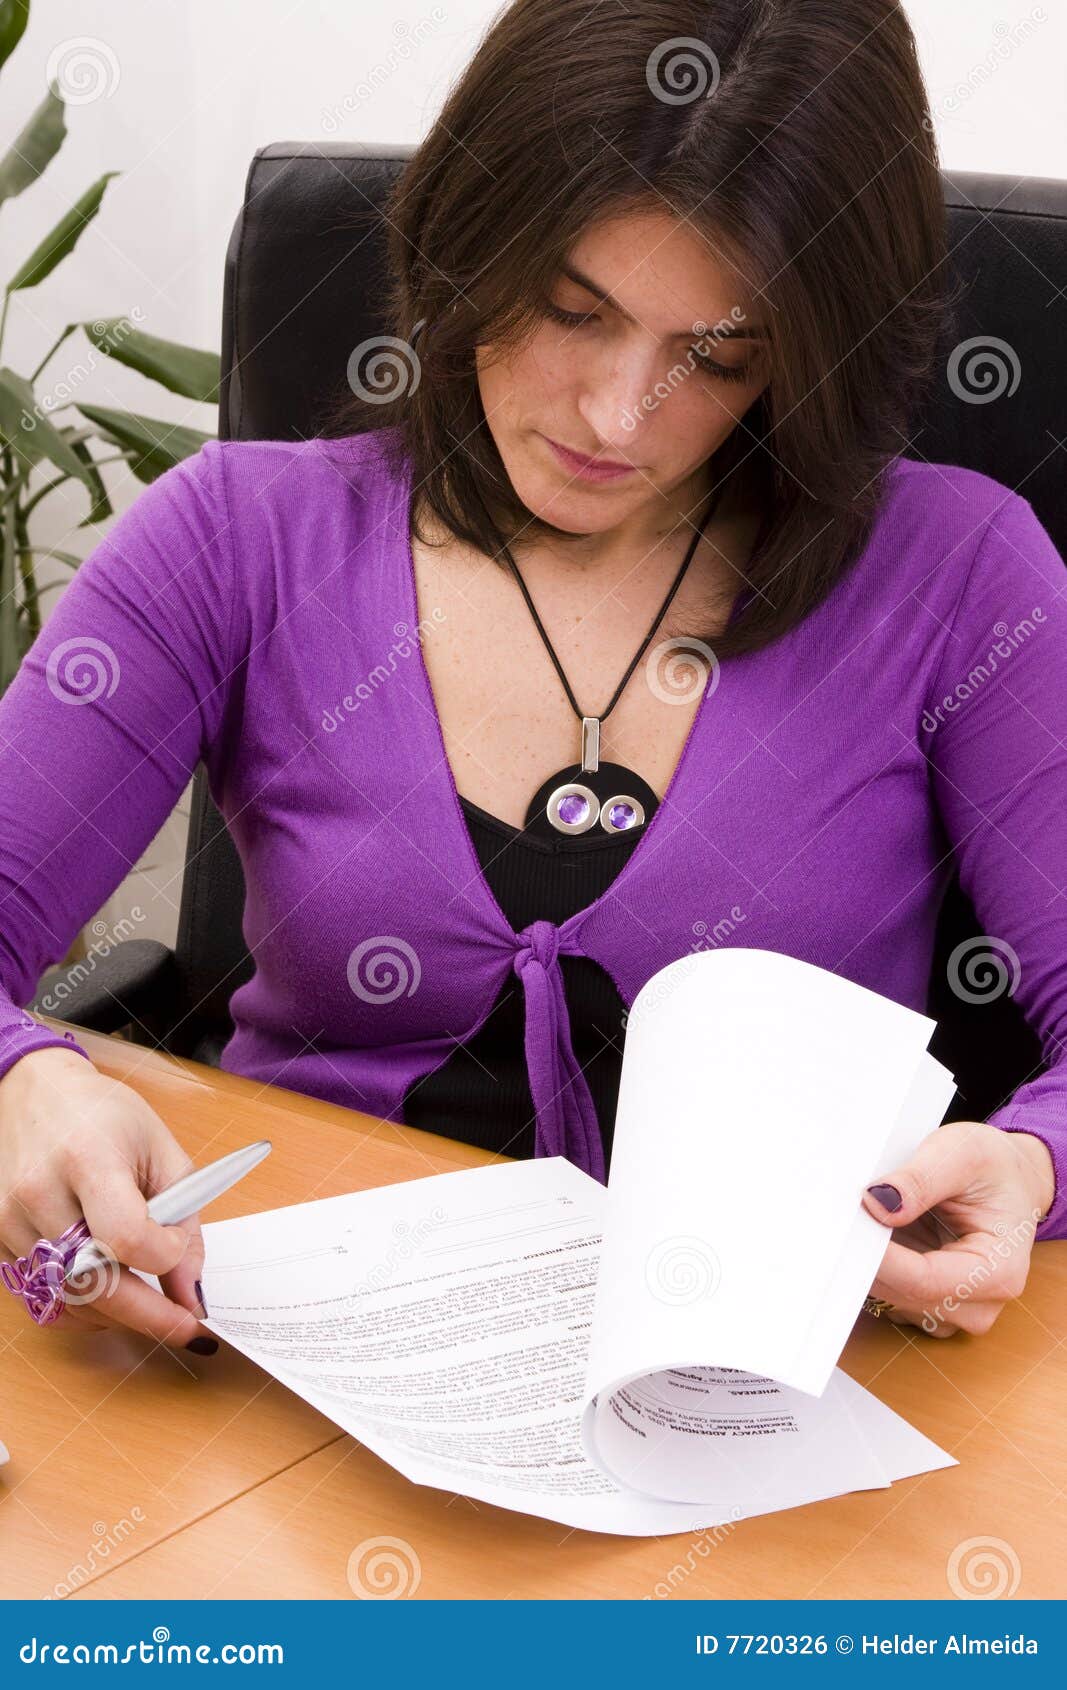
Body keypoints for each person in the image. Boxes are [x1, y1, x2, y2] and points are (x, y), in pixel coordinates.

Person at [0, 0, 1062, 1360]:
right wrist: (25, 1077)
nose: (620, 415)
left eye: (718, 357)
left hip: (757, 1409)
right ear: (467, 240)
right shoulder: (236, 541)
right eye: (574, 308)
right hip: (277, 1382)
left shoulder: (956, 576)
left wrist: (1029, 1162)